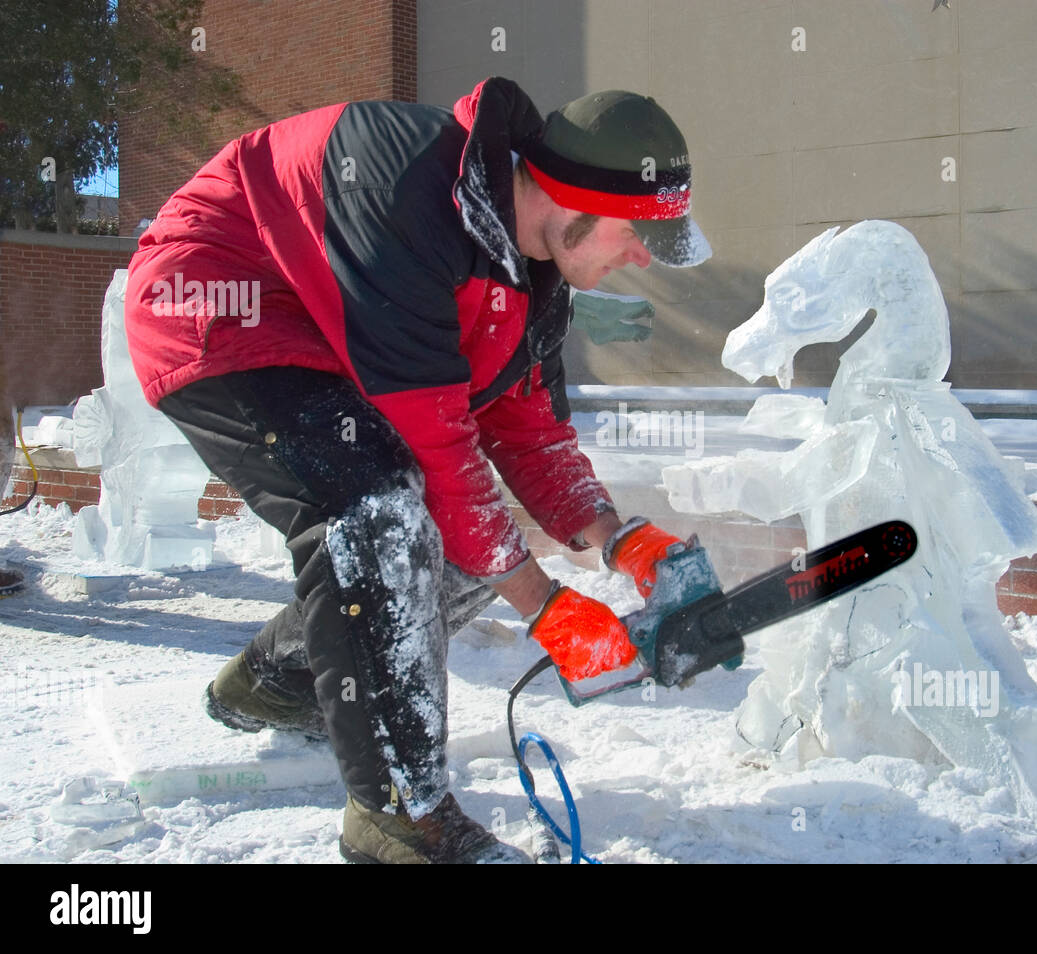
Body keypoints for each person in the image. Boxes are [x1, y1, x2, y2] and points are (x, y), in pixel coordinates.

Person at [122, 76, 711, 863]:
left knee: (449, 529)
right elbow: (435, 446)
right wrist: (543, 605)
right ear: (573, 199)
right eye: (636, 232)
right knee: (379, 505)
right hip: (222, 302)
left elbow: (529, 432)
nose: (642, 256)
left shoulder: (536, 281)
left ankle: (278, 681)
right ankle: (400, 814)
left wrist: (621, 539)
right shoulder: (412, 187)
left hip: (329, 336)